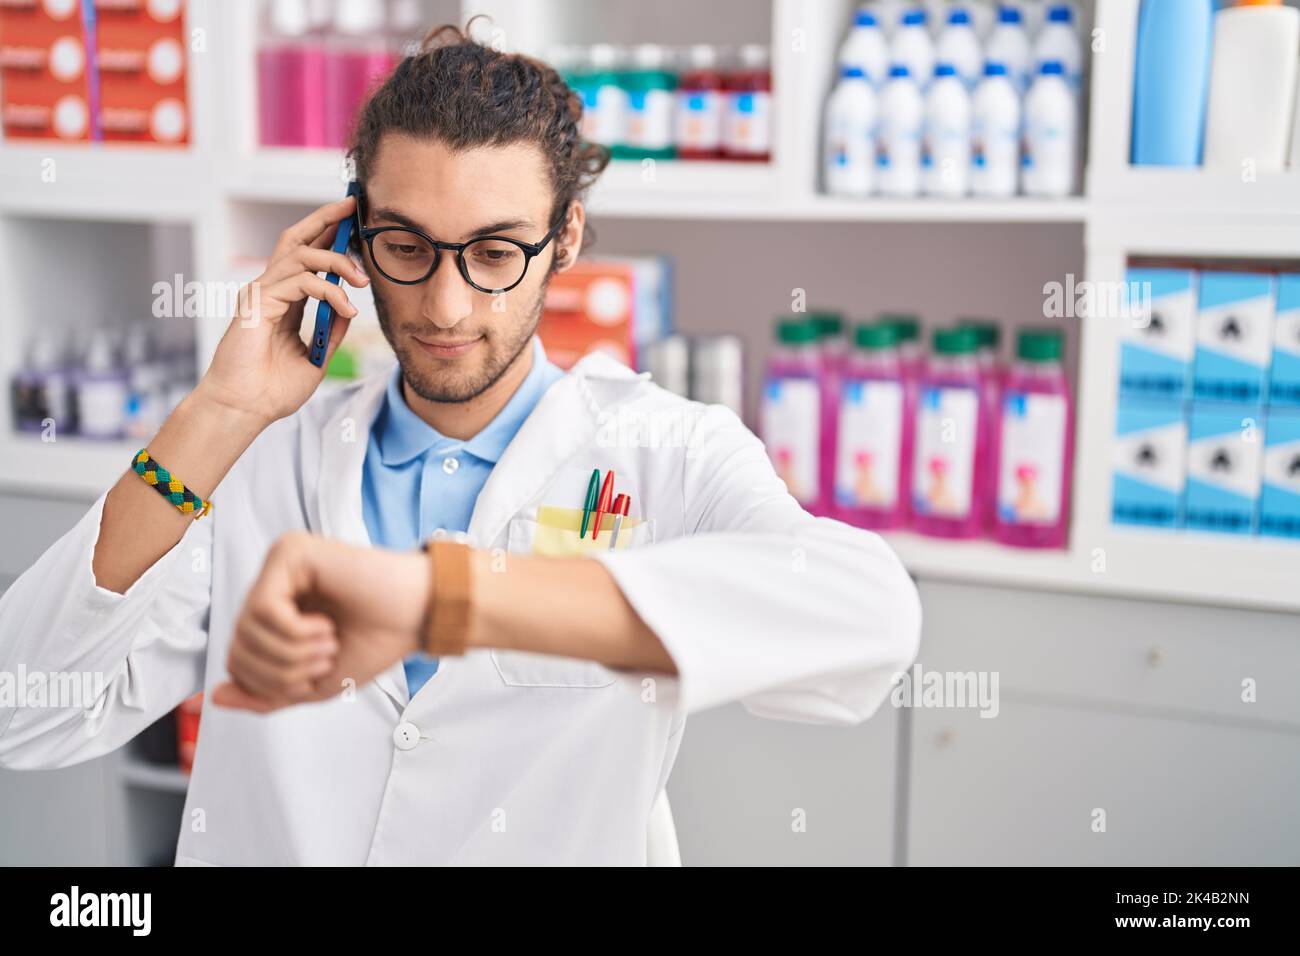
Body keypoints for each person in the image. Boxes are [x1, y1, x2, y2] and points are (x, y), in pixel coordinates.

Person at [0, 25, 920, 865]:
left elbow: (871, 619)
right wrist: (217, 412)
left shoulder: (664, 450)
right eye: (406, 245)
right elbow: (23, 714)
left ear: (565, 239)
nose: (446, 307)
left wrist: (449, 599)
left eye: (493, 254)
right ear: (353, 235)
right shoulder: (259, 457)